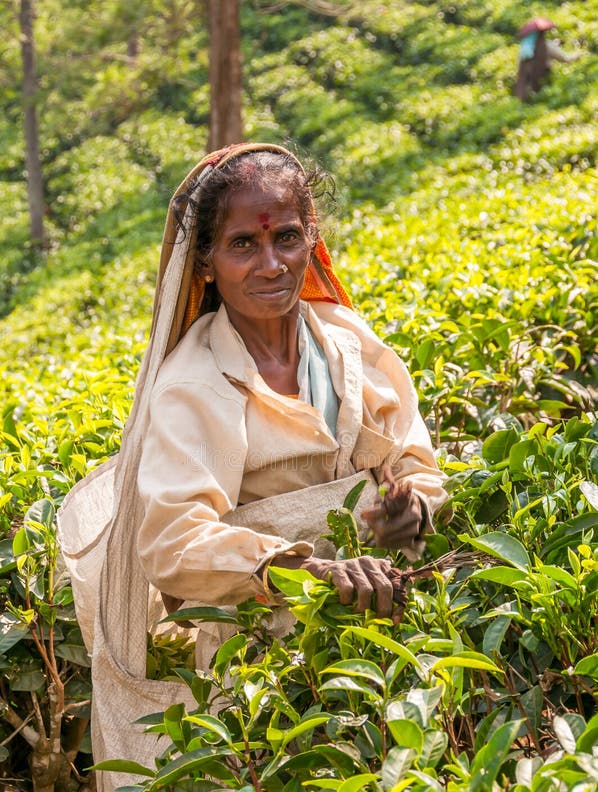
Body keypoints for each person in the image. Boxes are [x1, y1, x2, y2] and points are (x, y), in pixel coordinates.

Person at [135, 143, 448, 640]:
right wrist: (307, 571)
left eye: (286, 238)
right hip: (267, 658)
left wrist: (411, 509)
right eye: (242, 244)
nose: (271, 264)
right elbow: (173, 542)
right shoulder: (194, 385)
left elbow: (416, 464)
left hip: (391, 617)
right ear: (206, 262)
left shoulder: (346, 340)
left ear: (311, 242)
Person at [515, 18, 579, 101]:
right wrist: (577, 55)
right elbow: (564, 58)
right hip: (544, 83)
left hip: (525, 89)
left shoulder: (524, 49)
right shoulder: (546, 45)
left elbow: (518, 69)